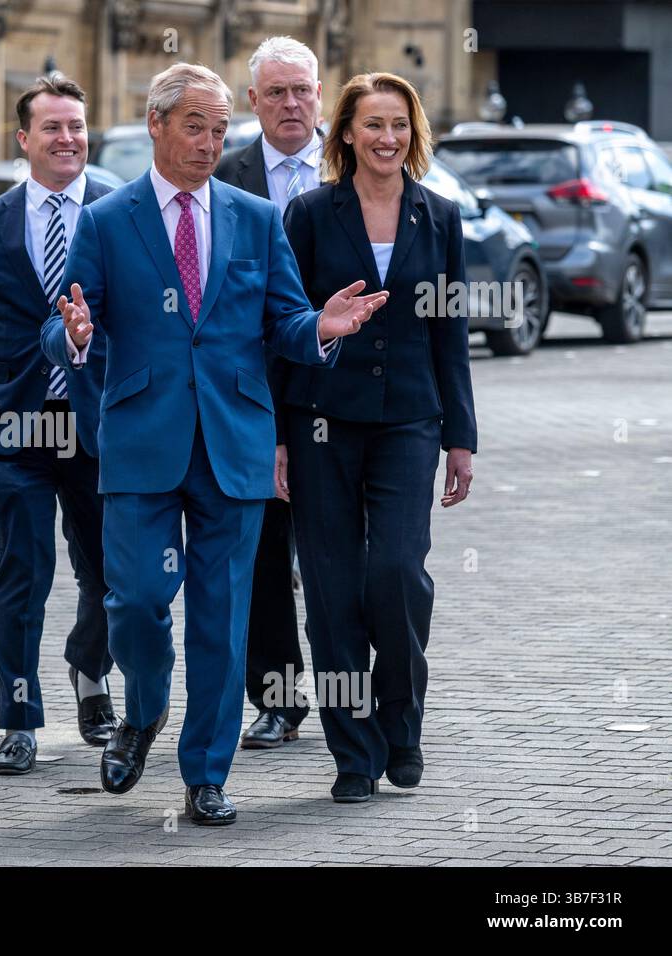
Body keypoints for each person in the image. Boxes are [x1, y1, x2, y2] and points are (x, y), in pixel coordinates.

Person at [41, 62, 384, 825]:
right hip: (139, 442)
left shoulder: (255, 217)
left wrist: (321, 329)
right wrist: (74, 334)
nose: (208, 143)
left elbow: (285, 321)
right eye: (193, 126)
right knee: (133, 602)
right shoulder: (106, 218)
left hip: (233, 442)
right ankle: (144, 710)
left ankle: (206, 773)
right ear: (156, 125)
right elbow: (66, 316)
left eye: (220, 129)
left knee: (224, 620)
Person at [279, 72, 476, 803]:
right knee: (331, 592)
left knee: (396, 574)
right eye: (372, 124)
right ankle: (353, 754)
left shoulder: (443, 217)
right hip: (320, 420)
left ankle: (403, 727)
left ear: (412, 131)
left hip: (410, 422)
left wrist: (462, 437)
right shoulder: (306, 214)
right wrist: (278, 436)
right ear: (347, 134)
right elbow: (282, 328)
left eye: (397, 124)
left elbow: (451, 333)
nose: (386, 137)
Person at [0, 74, 117, 776]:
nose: (68, 139)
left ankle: (89, 670)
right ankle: (19, 718)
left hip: (101, 422)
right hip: (16, 427)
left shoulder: (121, 215)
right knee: (22, 575)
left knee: (114, 575)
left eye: (76, 127)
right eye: (52, 128)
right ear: (23, 138)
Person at [214, 35, 325, 750]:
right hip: (253, 391)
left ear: (321, 94)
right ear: (253, 102)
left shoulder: (355, 167)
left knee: (348, 553)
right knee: (260, 555)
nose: (291, 103)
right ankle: (278, 698)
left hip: (344, 391)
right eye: (276, 92)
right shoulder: (224, 175)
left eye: (302, 90)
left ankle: (357, 683)